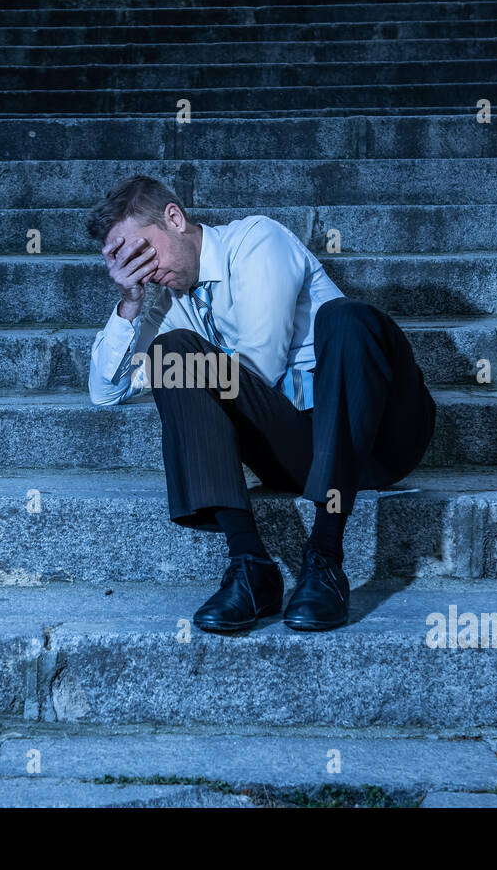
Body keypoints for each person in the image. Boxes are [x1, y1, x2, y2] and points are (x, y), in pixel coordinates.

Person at [86, 175, 435, 633]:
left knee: (346, 316)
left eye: (141, 251)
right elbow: (106, 391)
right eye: (126, 264)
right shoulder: (165, 304)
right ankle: (251, 567)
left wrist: (207, 376)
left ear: (174, 218)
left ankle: (325, 558)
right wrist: (130, 303)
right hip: (298, 454)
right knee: (172, 351)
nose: (142, 270)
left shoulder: (256, 241)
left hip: (380, 436)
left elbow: (259, 368)